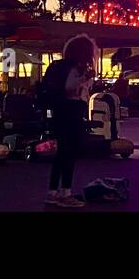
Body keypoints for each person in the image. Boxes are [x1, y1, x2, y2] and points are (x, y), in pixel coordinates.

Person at [42, 34, 96, 207]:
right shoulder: (75, 69)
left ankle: (53, 192)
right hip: (71, 112)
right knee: (69, 153)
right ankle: (66, 193)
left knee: (62, 153)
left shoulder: (63, 67)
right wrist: (85, 78)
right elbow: (69, 88)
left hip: (61, 112)